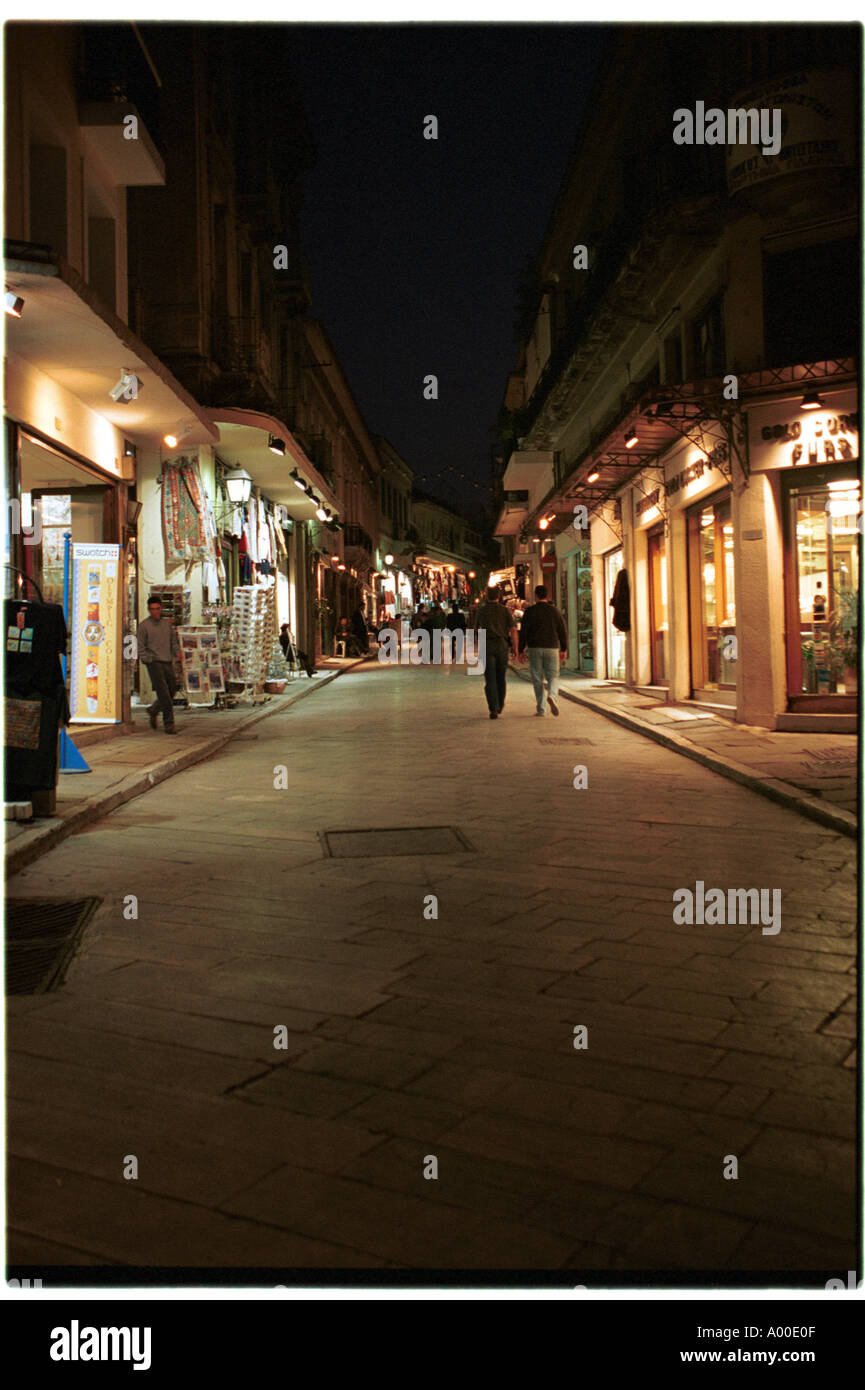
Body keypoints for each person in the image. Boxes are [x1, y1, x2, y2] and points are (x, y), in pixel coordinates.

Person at [519, 584, 568, 716]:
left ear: (536, 596)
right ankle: (552, 695)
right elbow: (562, 630)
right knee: (553, 676)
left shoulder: (529, 612)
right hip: (552, 647)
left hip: (534, 648)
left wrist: (520, 650)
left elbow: (523, 632)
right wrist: (563, 648)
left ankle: (541, 708)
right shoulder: (554, 611)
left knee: (537, 678)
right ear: (547, 596)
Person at [138, 596, 180, 733]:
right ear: (148, 610)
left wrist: (177, 652)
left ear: (161, 609)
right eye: (152, 609)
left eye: (157, 609)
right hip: (154, 662)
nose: (155, 612)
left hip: (167, 660)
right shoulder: (144, 626)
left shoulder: (167, 624)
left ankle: (154, 709)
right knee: (164, 694)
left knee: (172, 690)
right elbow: (140, 646)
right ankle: (169, 724)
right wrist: (147, 659)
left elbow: (173, 641)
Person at [475, 584, 517, 719]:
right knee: (501, 677)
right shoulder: (505, 611)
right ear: (499, 596)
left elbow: (476, 629)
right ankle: (500, 704)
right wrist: (515, 647)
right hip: (502, 645)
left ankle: (492, 707)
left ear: (487, 596)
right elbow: (513, 629)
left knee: (490, 678)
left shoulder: (481, 611)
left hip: (487, 645)